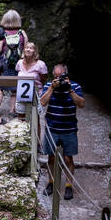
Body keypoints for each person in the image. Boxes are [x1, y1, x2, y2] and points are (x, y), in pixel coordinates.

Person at [40, 64, 84, 200]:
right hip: (52, 128)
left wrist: (70, 90)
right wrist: (52, 88)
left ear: (67, 76)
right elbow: (43, 102)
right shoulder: (49, 85)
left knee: (68, 158)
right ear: (53, 76)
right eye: (57, 77)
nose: (59, 80)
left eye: (62, 77)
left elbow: (81, 104)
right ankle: (51, 182)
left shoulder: (75, 86)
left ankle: (69, 185)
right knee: (51, 158)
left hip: (69, 129)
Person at [0, 10, 28, 115]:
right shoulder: (22, 33)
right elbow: (25, 47)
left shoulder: (2, 32)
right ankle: (12, 110)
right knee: (15, 88)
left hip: (4, 63)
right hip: (18, 63)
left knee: (0, 87)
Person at [14, 40, 47, 124]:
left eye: (31, 48)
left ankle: (35, 133)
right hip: (21, 93)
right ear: (24, 50)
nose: (28, 50)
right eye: (26, 48)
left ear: (35, 51)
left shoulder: (41, 64)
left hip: (35, 93)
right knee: (20, 119)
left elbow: (43, 79)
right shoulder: (19, 63)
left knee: (35, 120)